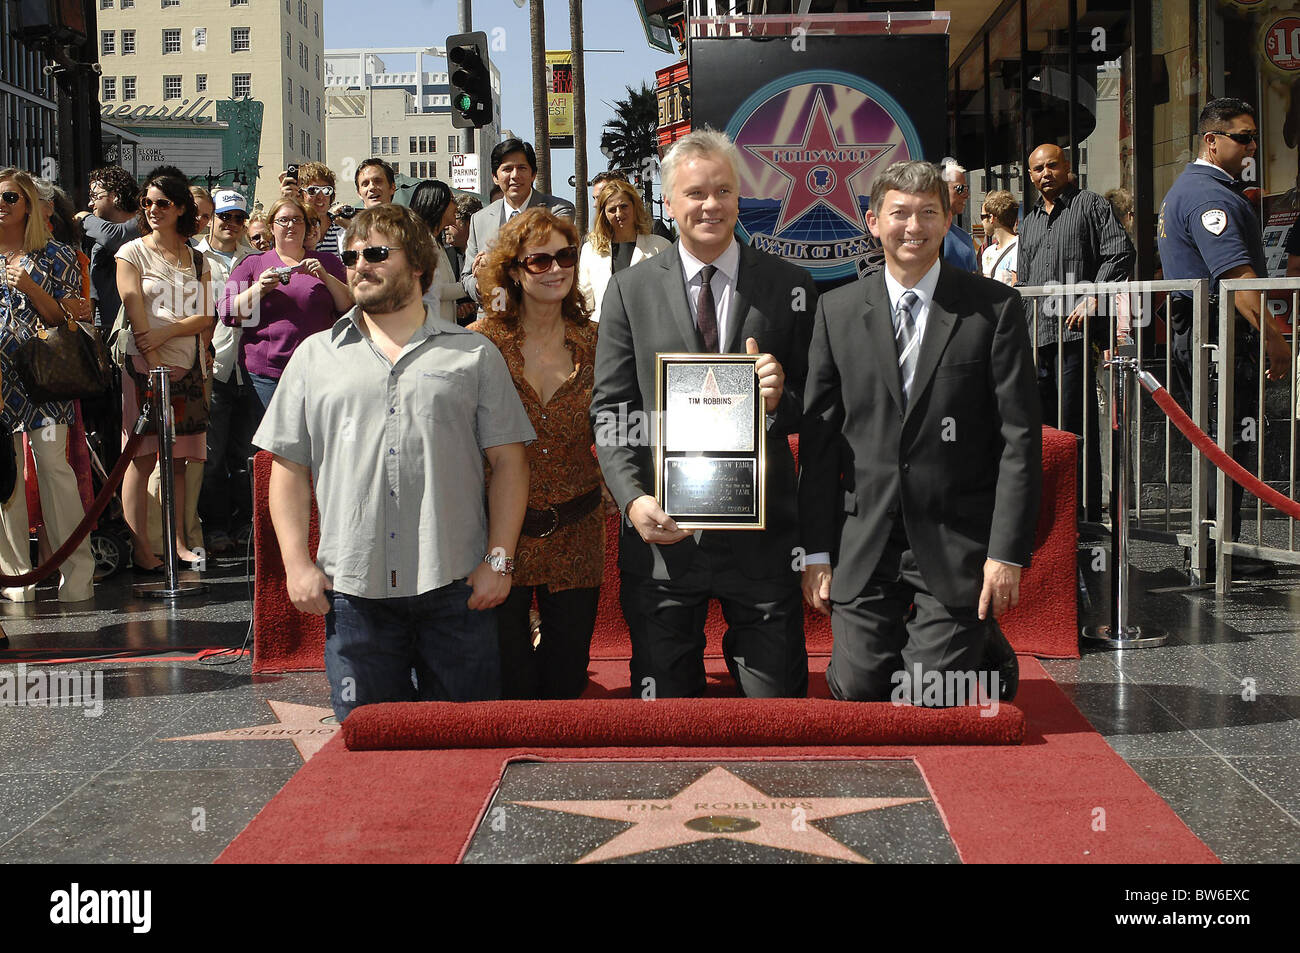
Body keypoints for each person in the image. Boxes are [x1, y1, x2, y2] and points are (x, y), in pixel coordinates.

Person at [255, 204, 534, 720]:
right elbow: (288, 467)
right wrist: (296, 564)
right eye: (351, 255)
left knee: (465, 750)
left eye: (377, 252)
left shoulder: (474, 353)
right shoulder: (314, 357)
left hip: (457, 590)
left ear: (419, 267)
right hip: (352, 594)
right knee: (370, 759)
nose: (360, 264)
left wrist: (500, 560)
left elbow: (510, 463)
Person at [799, 159, 1041, 704]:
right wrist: (816, 554)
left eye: (928, 213)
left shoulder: (993, 308)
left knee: (928, 694)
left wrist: (1006, 555)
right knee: (859, 690)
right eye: (899, 213)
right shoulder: (835, 311)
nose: (914, 227)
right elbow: (819, 445)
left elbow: (1019, 441)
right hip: (867, 539)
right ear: (872, 221)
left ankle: (982, 649)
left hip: (955, 538)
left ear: (949, 217)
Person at [591, 128, 818, 699]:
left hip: (762, 541)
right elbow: (612, 409)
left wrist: (779, 396)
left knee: (776, 713)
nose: (710, 204)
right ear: (668, 202)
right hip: (664, 538)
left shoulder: (791, 287)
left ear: (740, 197)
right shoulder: (627, 291)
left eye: (723, 190)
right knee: (664, 716)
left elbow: (818, 409)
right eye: (695, 193)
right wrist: (633, 499)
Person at [471, 208, 603, 699]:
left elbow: (624, 422)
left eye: (565, 256)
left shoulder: (597, 342)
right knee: (509, 684)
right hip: (501, 536)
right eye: (539, 260)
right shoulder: (482, 344)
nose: (556, 269)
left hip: (578, 531)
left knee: (565, 684)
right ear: (513, 270)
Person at [1158, 97, 1290, 567]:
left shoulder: (1194, 188)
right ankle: (1222, 549)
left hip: (1204, 336)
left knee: (1220, 438)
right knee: (1227, 439)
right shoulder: (1209, 195)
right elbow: (1237, 280)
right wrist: (1276, 338)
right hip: (1218, 338)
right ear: (1211, 141)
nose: (1252, 147)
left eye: (1254, 137)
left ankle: (1219, 545)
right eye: (1243, 137)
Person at [1018, 142, 1134, 523]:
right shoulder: (1030, 218)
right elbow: (1025, 281)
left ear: (1068, 167)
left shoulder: (1091, 206)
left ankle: (1082, 512)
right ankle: (1049, 511)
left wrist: (1092, 297)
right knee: (1043, 429)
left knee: (1075, 427)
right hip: (1037, 339)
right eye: (1037, 169)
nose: (1045, 174)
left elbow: (1120, 253)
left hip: (1074, 336)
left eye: (1052, 166)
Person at [0, 168, 96, 603]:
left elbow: (68, 319)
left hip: (45, 380)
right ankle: (16, 582)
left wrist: (32, 288)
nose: (1, 205)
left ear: (28, 206)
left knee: (55, 470)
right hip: (0, 382)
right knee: (6, 482)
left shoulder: (56, 255)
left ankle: (76, 578)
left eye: (9, 198)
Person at [114, 165, 214, 571]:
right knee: (141, 459)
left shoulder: (196, 257)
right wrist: (151, 350)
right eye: (148, 202)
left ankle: (176, 543)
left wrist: (167, 333)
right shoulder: (131, 252)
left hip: (186, 367)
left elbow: (207, 315)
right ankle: (141, 548)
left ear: (180, 209)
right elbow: (132, 299)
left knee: (175, 460)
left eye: (163, 203)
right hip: (143, 367)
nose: (153, 209)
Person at [219, 196, 351, 409]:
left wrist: (325, 277)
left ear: (306, 226)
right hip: (266, 377)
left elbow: (349, 308)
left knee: (316, 440)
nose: (291, 225)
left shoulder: (328, 263)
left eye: (298, 220)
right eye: (283, 220)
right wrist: (259, 288)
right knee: (271, 442)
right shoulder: (253, 264)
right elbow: (227, 312)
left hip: (320, 371)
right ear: (271, 226)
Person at [197, 190, 257, 555]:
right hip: (213, 366)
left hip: (249, 366)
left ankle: (246, 523)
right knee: (212, 457)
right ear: (212, 219)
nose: (231, 224)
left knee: (246, 455)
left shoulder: (255, 258)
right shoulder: (194, 256)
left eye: (238, 218)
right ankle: (215, 525)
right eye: (225, 217)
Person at [462, 138, 576, 304]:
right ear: (495, 177)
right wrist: (480, 286)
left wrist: (493, 262)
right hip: (493, 318)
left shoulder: (558, 210)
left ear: (533, 174)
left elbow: (541, 254)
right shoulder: (479, 219)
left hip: (540, 316)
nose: (515, 175)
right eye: (507, 169)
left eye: (522, 168)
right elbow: (467, 277)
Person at [577, 178, 671, 318]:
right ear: (604, 214)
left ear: (634, 207)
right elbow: (585, 299)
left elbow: (670, 296)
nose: (619, 214)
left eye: (624, 206)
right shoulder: (590, 250)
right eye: (612, 210)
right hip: (604, 333)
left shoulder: (660, 247)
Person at [80, 166, 141, 332]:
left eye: (95, 196)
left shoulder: (143, 222)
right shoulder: (96, 236)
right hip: (106, 327)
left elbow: (114, 237)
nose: (90, 203)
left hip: (138, 327)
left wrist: (84, 217)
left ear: (115, 196)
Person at [409, 179, 463, 326]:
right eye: (452, 200)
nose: (456, 206)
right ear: (437, 203)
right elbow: (435, 289)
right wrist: (471, 287)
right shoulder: (420, 243)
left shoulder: (436, 242)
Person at [938, 158, 978, 273]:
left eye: (967, 188)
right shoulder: (923, 235)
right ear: (942, 190)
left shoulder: (965, 239)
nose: (966, 195)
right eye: (960, 189)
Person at [298, 162, 345, 257]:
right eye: (313, 190)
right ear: (300, 194)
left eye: (326, 190)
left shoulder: (342, 227)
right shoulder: (295, 228)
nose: (321, 196)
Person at [979, 189, 1019, 285]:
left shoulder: (1019, 248)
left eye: (983, 217)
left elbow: (1017, 288)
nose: (982, 222)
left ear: (992, 218)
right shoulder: (988, 252)